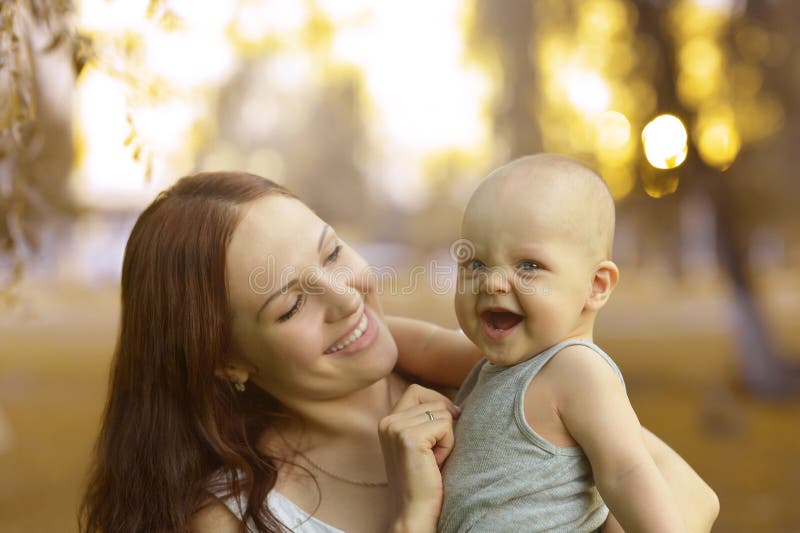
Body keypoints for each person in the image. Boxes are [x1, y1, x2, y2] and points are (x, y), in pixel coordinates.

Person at [79, 171, 718, 533]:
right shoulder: (232, 514)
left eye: (331, 252)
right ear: (226, 360)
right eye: (291, 304)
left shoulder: (492, 376)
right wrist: (414, 515)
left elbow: (691, 497)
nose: (347, 296)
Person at [439, 154, 712, 532]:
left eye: (528, 266)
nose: (492, 283)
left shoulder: (576, 370)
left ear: (595, 286)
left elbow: (626, 472)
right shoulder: (493, 365)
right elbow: (421, 345)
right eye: (476, 264)